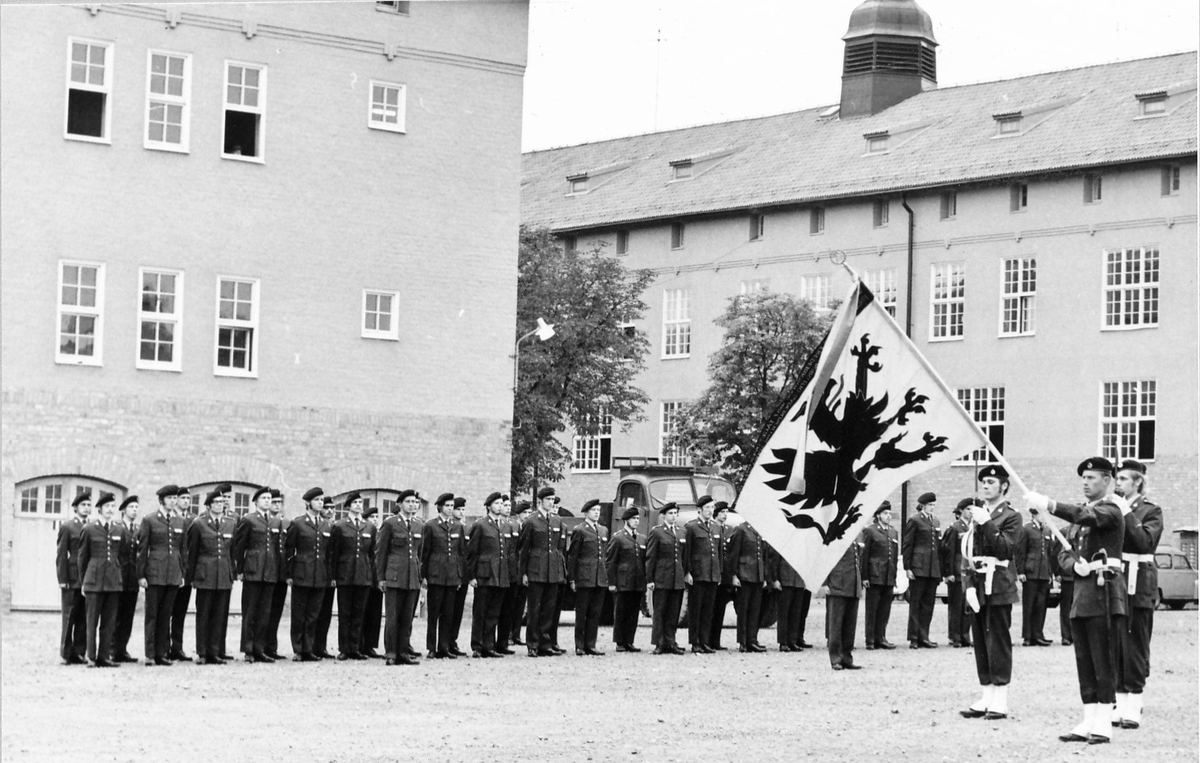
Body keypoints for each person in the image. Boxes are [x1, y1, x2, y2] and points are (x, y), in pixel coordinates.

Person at [1026, 457, 1128, 744]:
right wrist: (1074, 567)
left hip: (1105, 592)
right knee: (1084, 659)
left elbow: (1088, 518)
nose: (1085, 482)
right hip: (1083, 593)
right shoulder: (1082, 515)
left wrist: (1050, 504)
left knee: (1103, 658)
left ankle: (1104, 721)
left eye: (1092, 478)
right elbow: (1063, 552)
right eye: (1083, 477)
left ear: (1107, 481)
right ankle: (1088, 717)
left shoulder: (1112, 509)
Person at [959, 465, 1021, 721]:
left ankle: (1001, 700)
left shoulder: (1011, 516)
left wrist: (987, 524)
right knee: (981, 642)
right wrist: (968, 585)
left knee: (998, 641)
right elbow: (968, 553)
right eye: (983, 481)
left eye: (991, 482)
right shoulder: (978, 514)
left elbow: (1005, 549)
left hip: (998, 584)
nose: (985, 486)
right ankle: (986, 695)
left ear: (1004, 486)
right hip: (978, 582)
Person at [1112, 459, 1162, 730]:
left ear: (1137, 482)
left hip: (1139, 582)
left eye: (1122, 479)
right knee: (1116, 641)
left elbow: (1144, 541)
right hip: (1117, 581)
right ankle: (1120, 700)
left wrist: (1126, 514)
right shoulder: (1115, 508)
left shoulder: (1151, 511)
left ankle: (1134, 700)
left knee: (1135, 641)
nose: (1117, 484)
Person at [185, 490, 235, 665]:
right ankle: (203, 652)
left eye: (222, 502)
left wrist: (232, 573)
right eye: (216, 502)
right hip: (205, 574)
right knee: (204, 614)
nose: (220, 505)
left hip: (223, 575)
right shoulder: (199, 524)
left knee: (219, 615)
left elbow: (232, 551)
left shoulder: (230, 523)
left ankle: (215, 651)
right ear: (208, 505)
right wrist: (190, 577)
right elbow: (192, 552)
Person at [79, 492, 127, 667]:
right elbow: (82, 558)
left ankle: (104, 656)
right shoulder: (89, 529)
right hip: (93, 581)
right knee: (92, 621)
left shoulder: (119, 529)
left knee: (109, 621)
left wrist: (117, 573)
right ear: (99, 509)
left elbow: (122, 555)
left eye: (113, 507)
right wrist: (84, 581)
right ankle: (91, 656)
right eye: (107, 507)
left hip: (113, 582)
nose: (110, 510)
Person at [376, 488, 423, 665]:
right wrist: (381, 578)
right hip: (394, 576)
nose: (412, 505)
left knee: (407, 617)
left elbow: (421, 553)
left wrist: (420, 576)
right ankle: (391, 653)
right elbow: (381, 552)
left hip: (412, 577)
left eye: (415, 502)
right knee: (392, 617)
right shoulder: (390, 523)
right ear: (400, 504)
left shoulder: (419, 525)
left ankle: (403, 652)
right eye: (409, 502)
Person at [519, 487, 567, 657]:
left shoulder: (556, 520)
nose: (551, 502)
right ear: (540, 501)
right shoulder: (531, 521)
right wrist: (523, 572)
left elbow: (559, 549)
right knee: (534, 609)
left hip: (552, 570)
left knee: (548, 609)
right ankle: (532, 644)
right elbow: (524, 549)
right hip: (536, 570)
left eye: (553, 499)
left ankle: (545, 644)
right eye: (548, 499)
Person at [138, 485, 183, 666]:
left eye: (174, 498)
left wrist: (182, 573)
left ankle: (162, 653)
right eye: (169, 498)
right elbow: (142, 550)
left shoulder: (180, 521)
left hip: (172, 574)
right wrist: (141, 575)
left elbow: (183, 549)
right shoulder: (149, 520)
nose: (173, 501)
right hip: (154, 574)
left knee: (166, 615)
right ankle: (150, 654)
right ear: (161, 500)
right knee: (152, 615)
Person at [285, 488, 332, 662]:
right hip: (301, 572)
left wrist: (328, 575)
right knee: (299, 613)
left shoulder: (326, 524)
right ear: (308, 503)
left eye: (321, 500)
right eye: (317, 500)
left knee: (313, 614)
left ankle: (309, 648)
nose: (320, 503)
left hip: (319, 573)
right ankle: (298, 649)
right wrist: (289, 574)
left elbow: (329, 553)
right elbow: (289, 550)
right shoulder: (298, 523)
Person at [233, 486, 277, 663]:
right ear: (256, 502)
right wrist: (240, 570)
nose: (267, 501)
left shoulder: (274, 521)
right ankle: (248, 649)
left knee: (264, 613)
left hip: (269, 572)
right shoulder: (248, 520)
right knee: (250, 611)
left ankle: (259, 648)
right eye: (264, 498)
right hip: (253, 570)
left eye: (269, 498)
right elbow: (239, 547)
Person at [330, 491, 376, 661]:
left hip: (363, 574)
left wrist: (371, 576)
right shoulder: (340, 526)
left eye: (360, 502)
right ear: (348, 506)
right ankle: (344, 648)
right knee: (345, 613)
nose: (358, 505)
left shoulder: (369, 527)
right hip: (345, 574)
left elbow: (372, 555)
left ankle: (355, 648)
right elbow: (334, 553)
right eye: (355, 503)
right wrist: (334, 576)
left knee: (359, 613)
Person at [467, 492, 510, 658]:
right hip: (484, 574)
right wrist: (472, 576)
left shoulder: (504, 525)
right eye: (497, 503)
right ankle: (477, 646)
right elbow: (472, 553)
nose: (500, 506)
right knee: (481, 612)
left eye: (501, 503)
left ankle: (489, 645)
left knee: (493, 612)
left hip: (499, 574)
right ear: (488, 506)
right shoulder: (480, 525)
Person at [421, 492, 463, 659]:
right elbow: (425, 552)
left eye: (452, 506)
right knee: (434, 613)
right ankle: (431, 647)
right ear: (439, 507)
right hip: (436, 574)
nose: (450, 509)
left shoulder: (457, 526)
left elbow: (460, 553)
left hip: (451, 576)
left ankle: (443, 647)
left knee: (448, 613)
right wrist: (423, 576)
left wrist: (459, 575)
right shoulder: (430, 525)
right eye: (447, 506)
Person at [567, 498, 608, 656]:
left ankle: (591, 644)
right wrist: (572, 578)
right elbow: (573, 556)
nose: (597, 513)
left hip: (599, 576)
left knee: (595, 613)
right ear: (586, 512)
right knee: (582, 613)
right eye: (593, 510)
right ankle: (579, 645)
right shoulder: (580, 530)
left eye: (598, 510)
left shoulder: (603, 530)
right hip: (584, 577)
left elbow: (604, 554)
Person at [645, 502, 687, 655]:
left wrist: (685, 574)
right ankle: (659, 643)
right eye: (670, 513)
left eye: (675, 513)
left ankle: (671, 641)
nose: (673, 516)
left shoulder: (681, 532)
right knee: (660, 611)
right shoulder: (657, 532)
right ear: (663, 516)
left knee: (673, 612)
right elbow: (651, 557)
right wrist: (650, 579)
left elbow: (684, 557)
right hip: (662, 577)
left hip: (677, 578)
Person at [903, 491, 942, 649]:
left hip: (932, 568)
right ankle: (914, 637)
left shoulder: (936, 521)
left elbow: (938, 547)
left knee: (928, 604)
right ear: (923, 505)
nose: (932, 507)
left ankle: (924, 636)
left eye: (933, 505)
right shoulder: (915, 520)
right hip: (918, 567)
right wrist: (907, 567)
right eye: (930, 505)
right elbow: (907, 544)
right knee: (916, 603)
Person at [57, 491, 91, 665]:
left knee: (84, 618)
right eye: (83, 505)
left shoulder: (92, 526)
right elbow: (61, 554)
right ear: (76, 508)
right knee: (69, 616)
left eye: (88, 505)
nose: (86, 508)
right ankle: (66, 653)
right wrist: (62, 579)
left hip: (88, 578)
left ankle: (79, 652)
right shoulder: (68, 527)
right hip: (71, 578)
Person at [605, 506, 645, 652]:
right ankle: (620, 641)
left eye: (637, 519)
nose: (636, 521)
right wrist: (612, 582)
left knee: (633, 613)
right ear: (626, 520)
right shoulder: (618, 538)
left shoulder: (641, 538)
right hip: (623, 581)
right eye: (633, 519)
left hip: (637, 581)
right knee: (621, 612)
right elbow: (610, 561)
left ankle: (629, 640)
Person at [860, 501, 899, 650]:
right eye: (885, 513)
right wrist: (865, 577)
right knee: (872, 609)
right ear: (878, 515)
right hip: (874, 575)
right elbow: (865, 555)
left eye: (889, 513)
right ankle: (870, 639)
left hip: (888, 575)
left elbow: (894, 556)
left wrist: (895, 576)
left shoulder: (893, 531)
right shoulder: (871, 531)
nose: (888, 516)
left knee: (884, 609)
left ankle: (881, 637)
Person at [684, 495, 720, 653]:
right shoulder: (691, 527)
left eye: (712, 508)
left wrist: (719, 573)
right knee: (696, 609)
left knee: (708, 610)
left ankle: (705, 641)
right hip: (698, 574)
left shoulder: (715, 526)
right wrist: (688, 572)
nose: (710, 511)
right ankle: (695, 642)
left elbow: (718, 553)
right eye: (707, 508)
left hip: (711, 574)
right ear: (699, 510)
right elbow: (687, 552)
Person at [728, 510, 768, 652]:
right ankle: (743, 642)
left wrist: (763, 576)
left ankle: (752, 639)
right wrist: (733, 575)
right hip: (744, 575)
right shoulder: (741, 530)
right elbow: (733, 554)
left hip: (757, 575)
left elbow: (762, 555)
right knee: (743, 610)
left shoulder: (759, 531)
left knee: (755, 610)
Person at [824, 536, 864, 670]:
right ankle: (835, 658)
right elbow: (825, 559)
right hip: (838, 584)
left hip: (853, 585)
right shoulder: (834, 536)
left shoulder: (854, 536)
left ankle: (847, 657)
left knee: (849, 625)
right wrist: (825, 583)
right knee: (836, 624)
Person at [1016, 506, 1054, 646]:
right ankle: (1027, 636)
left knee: (1041, 605)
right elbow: (1020, 551)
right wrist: (1020, 571)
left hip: (1043, 572)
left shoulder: (1047, 530)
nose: (1043, 516)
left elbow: (1049, 553)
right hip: (1030, 572)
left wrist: (1050, 572)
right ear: (1034, 515)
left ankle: (1038, 634)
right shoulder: (1026, 529)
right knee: (1029, 605)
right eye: (1041, 514)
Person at [942, 500, 976, 648]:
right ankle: (954, 636)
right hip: (956, 572)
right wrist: (948, 572)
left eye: (972, 509)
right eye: (968, 509)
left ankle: (965, 636)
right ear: (961, 511)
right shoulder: (955, 528)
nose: (970, 512)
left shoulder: (973, 528)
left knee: (968, 605)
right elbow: (948, 552)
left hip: (969, 572)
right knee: (956, 606)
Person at [111, 495, 141, 663]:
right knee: (115, 615)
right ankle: (111, 649)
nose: (134, 510)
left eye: (136, 507)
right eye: (131, 507)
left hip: (132, 579)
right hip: (119, 577)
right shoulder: (117, 528)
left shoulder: (138, 530)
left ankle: (122, 649)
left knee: (128, 617)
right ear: (123, 510)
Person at [766, 541, 808, 652]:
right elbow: (774, 560)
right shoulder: (784, 538)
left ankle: (792, 641)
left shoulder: (804, 540)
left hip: (798, 580)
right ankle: (783, 642)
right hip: (785, 579)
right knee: (784, 613)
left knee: (795, 612)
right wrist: (774, 579)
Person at [499, 498, 528, 651]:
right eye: (504, 505)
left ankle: (514, 634)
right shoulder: (509, 525)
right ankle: (507, 636)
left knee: (518, 605)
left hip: (517, 569)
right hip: (506, 569)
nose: (507, 508)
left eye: (509, 505)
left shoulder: (517, 526)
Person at [264, 489, 289, 660]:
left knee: (276, 612)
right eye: (274, 502)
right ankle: (262, 646)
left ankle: (272, 647)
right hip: (268, 572)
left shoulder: (286, 523)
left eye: (280, 503)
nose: (277, 505)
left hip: (282, 573)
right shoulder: (266, 522)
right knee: (265, 610)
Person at [312, 496, 337, 660]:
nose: (329, 510)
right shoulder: (315, 525)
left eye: (332, 507)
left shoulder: (334, 527)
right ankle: (310, 646)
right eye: (326, 507)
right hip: (314, 574)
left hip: (329, 576)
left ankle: (321, 646)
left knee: (326, 613)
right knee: (314, 612)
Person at [708, 501, 736, 650]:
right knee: (710, 609)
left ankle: (715, 641)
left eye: (727, 512)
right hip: (713, 573)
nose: (725, 515)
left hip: (725, 574)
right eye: (722, 512)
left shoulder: (730, 530)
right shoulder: (711, 528)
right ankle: (706, 640)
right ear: (716, 513)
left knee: (720, 609)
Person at [448, 497, 472, 657]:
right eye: (458, 509)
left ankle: (453, 641)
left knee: (458, 611)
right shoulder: (450, 527)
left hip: (462, 573)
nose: (461, 512)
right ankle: (446, 641)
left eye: (463, 509)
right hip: (450, 574)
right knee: (448, 610)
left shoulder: (466, 528)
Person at [360, 505, 384, 659]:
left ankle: (370, 645)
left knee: (375, 614)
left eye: (376, 517)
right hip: (365, 576)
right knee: (363, 612)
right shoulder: (364, 531)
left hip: (377, 578)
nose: (375, 520)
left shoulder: (380, 532)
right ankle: (360, 644)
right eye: (372, 517)